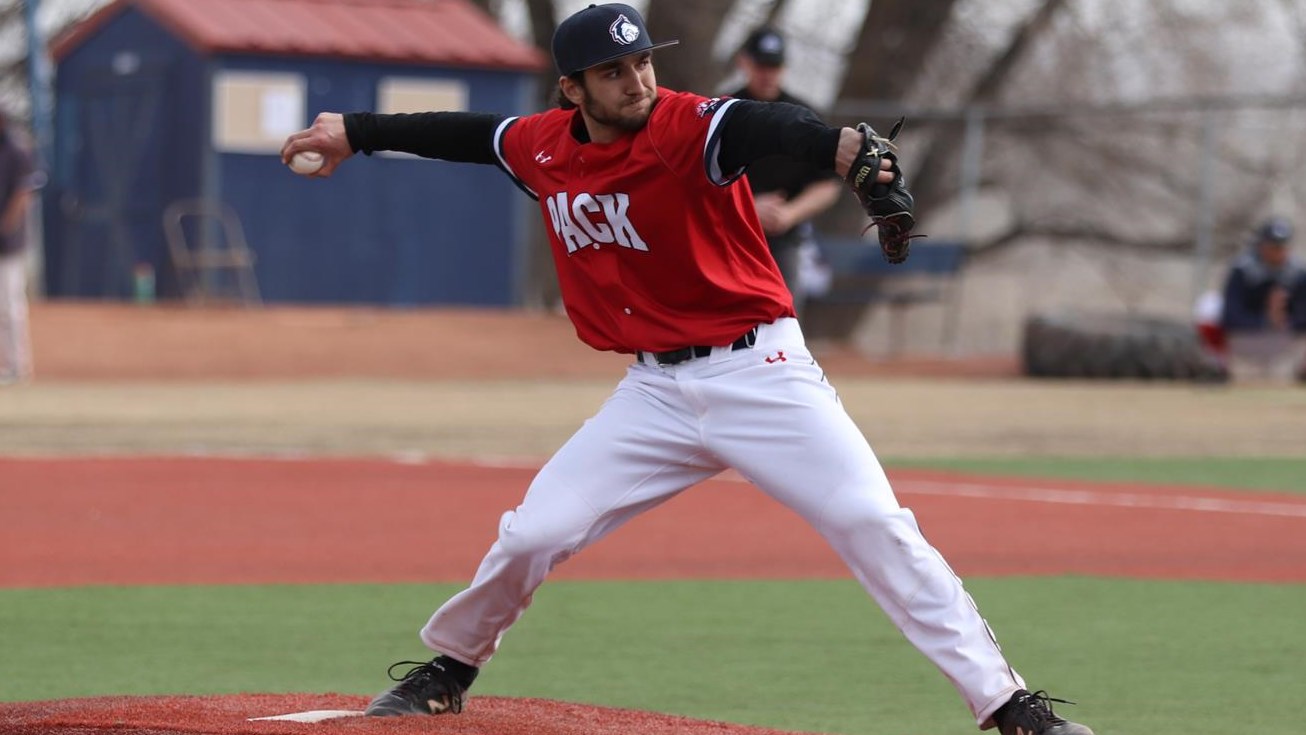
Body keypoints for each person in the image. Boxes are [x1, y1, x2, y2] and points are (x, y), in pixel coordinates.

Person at [280, 5, 1093, 734]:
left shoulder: (691, 125)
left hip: (763, 373)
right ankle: (450, 667)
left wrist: (845, 151)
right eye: (612, 71)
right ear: (572, 90)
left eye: (642, 62)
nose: (636, 80)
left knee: (873, 523)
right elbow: (463, 135)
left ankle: (1010, 705)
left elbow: (772, 126)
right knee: (536, 531)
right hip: (656, 393)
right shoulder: (542, 148)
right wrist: (352, 131)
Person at [727, 26, 841, 317]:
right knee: (727, 329)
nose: (768, 73)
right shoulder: (721, 112)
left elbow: (827, 184)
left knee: (783, 326)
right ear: (744, 62)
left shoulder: (802, 117)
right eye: (761, 65)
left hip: (784, 242)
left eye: (775, 65)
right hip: (729, 241)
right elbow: (694, 181)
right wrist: (748, 206)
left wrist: (789, 213)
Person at [1218, 216, 1306, 381]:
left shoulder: (1299, 273)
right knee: (1207, 307)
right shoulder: (1243, 270)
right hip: (1248, 339)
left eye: (1282, 246)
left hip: (1289, 341)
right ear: (1261, 246)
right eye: (1273, 246)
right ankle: (1216, 364)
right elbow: (1229, 315)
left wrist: (1285, 321)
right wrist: (1266, 320)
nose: (1278, 251)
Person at [0, 108, 36, 386]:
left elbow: (23, 194)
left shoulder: (16, 149)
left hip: (8, 243)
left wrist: (7, 224)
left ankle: (18, 366)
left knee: (11, 305)